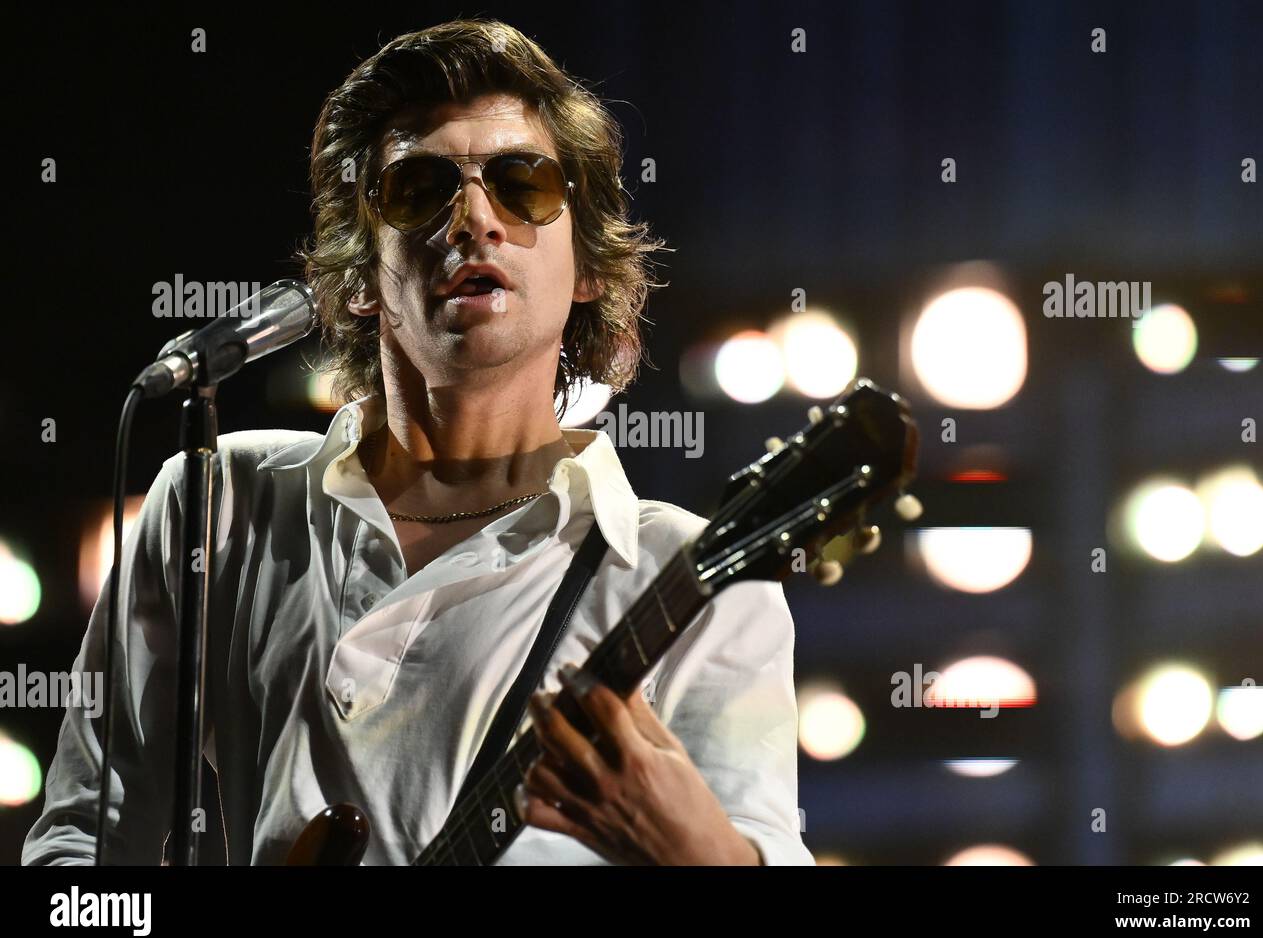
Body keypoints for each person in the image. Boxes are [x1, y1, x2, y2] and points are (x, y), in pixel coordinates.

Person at [23, 18, 813, 866]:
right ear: (360, 277)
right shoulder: (218, 503)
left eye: (523, 184)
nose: (474, 218)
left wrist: (694, 848)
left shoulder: (694, 581)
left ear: (587, 266)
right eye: (418, 188)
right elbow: (79, 852)